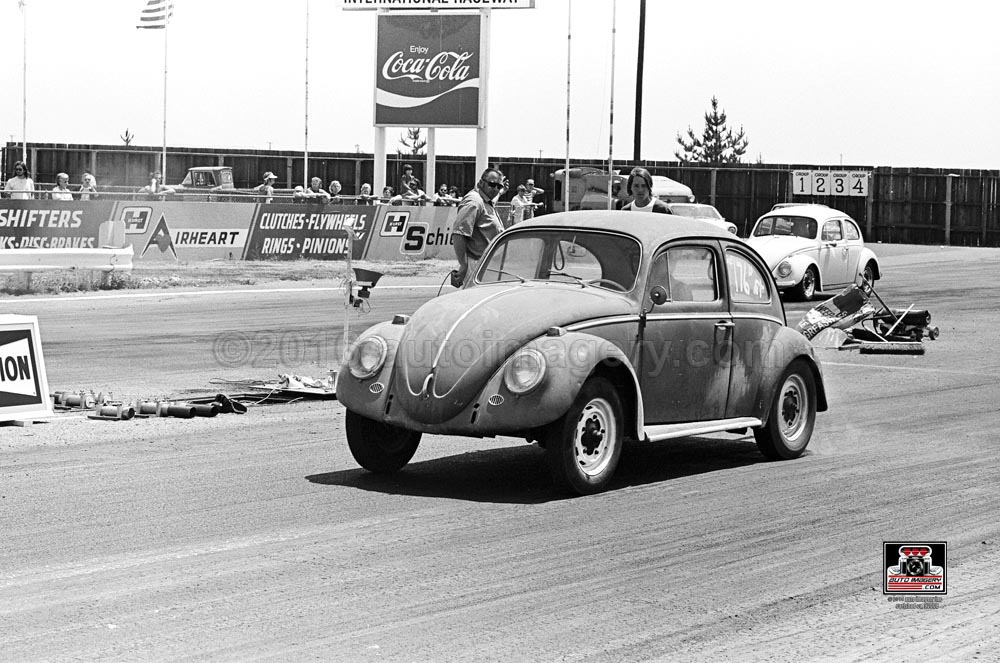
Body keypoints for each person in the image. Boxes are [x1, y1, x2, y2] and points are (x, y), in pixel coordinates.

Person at [451, 168, 507, 287]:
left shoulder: (485, 200)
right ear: (481, 183)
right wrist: (463, 265)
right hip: (476, 266)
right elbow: (459, 233)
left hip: (486, 265)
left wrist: (502, 192)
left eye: (499, 186)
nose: (496, 189)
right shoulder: (474, 202)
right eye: (492, 184)